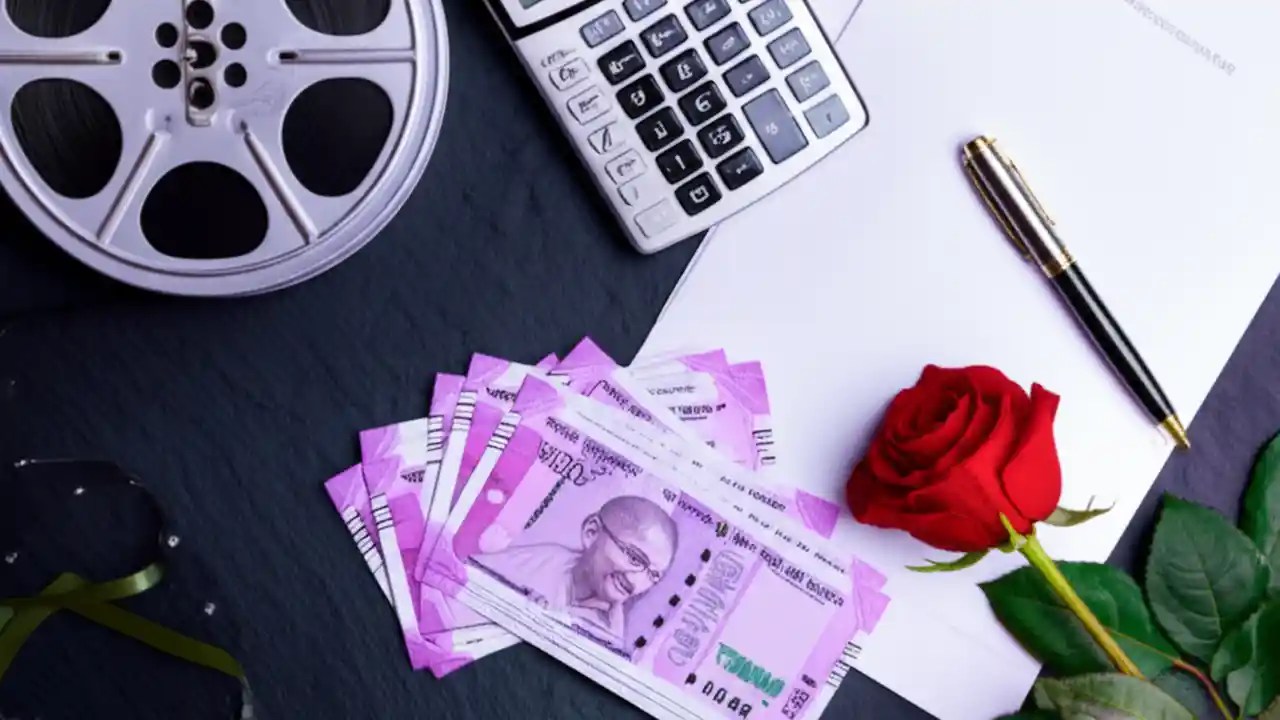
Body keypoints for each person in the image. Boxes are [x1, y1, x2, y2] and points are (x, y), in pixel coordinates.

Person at [471, 495, 678, 649]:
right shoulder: (541, 561)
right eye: (634, 557)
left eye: (653, 575)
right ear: (592, 532)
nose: (636, 581)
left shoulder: (608, 638)